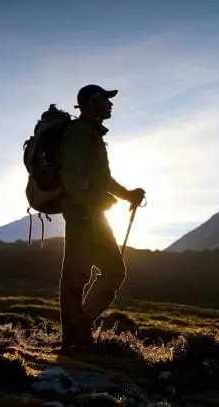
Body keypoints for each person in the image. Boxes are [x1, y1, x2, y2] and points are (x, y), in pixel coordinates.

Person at [57, 84, 146, 352]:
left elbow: (102, 179)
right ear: (92, 101)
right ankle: (76, 336)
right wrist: (84, 205)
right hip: (84, 213)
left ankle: (77, 333)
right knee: (83, 275)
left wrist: (127, 194)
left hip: (90, 213)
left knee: (86, 275)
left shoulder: (91, 134)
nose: (110, 104)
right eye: (106, 99)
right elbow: (70, 174)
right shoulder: (79, 132)